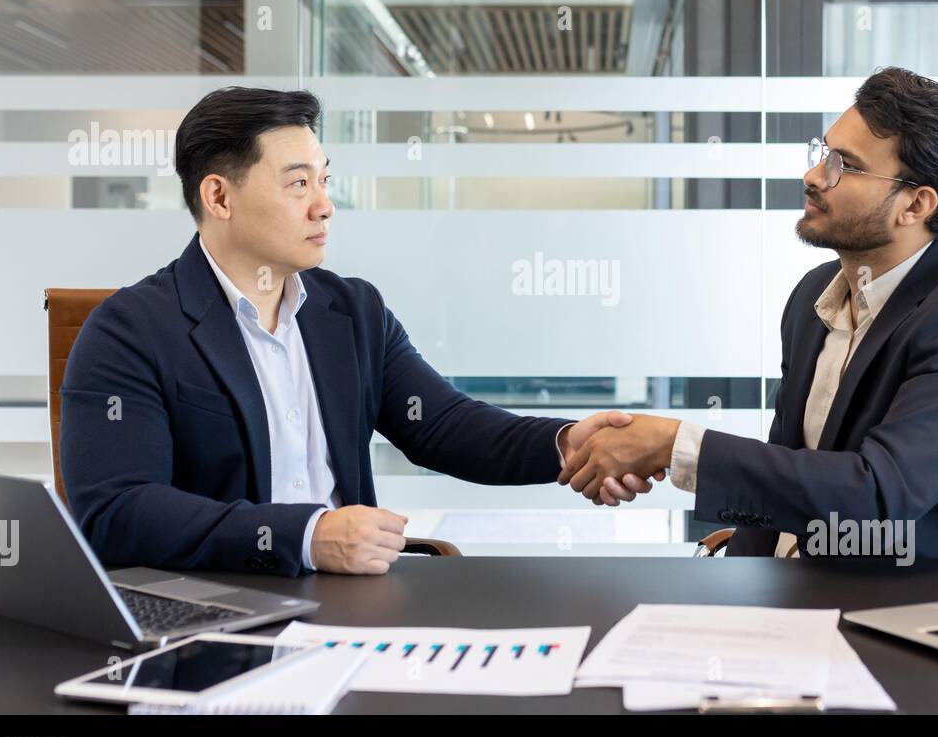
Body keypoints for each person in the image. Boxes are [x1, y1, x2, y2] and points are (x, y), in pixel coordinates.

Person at [61, 87, 628, 576]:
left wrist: (564, 443)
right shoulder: (128, 330)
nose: (324, 206)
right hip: (218, 607)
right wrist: (308, 536)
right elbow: (119, 511)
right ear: (218, 196)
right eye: (298, 184)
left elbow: (446, 426)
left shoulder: (351, 311)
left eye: (324, 181)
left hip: (348, 608)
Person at [559, 67, 938, 559]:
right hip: (804, 592)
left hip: (914, 607)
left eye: (844, 166)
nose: (813, 177)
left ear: (915, 204)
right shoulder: (815, 296)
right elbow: (785, 473)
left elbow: (877, 496)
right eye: (823, 155)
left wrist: (674, 444)